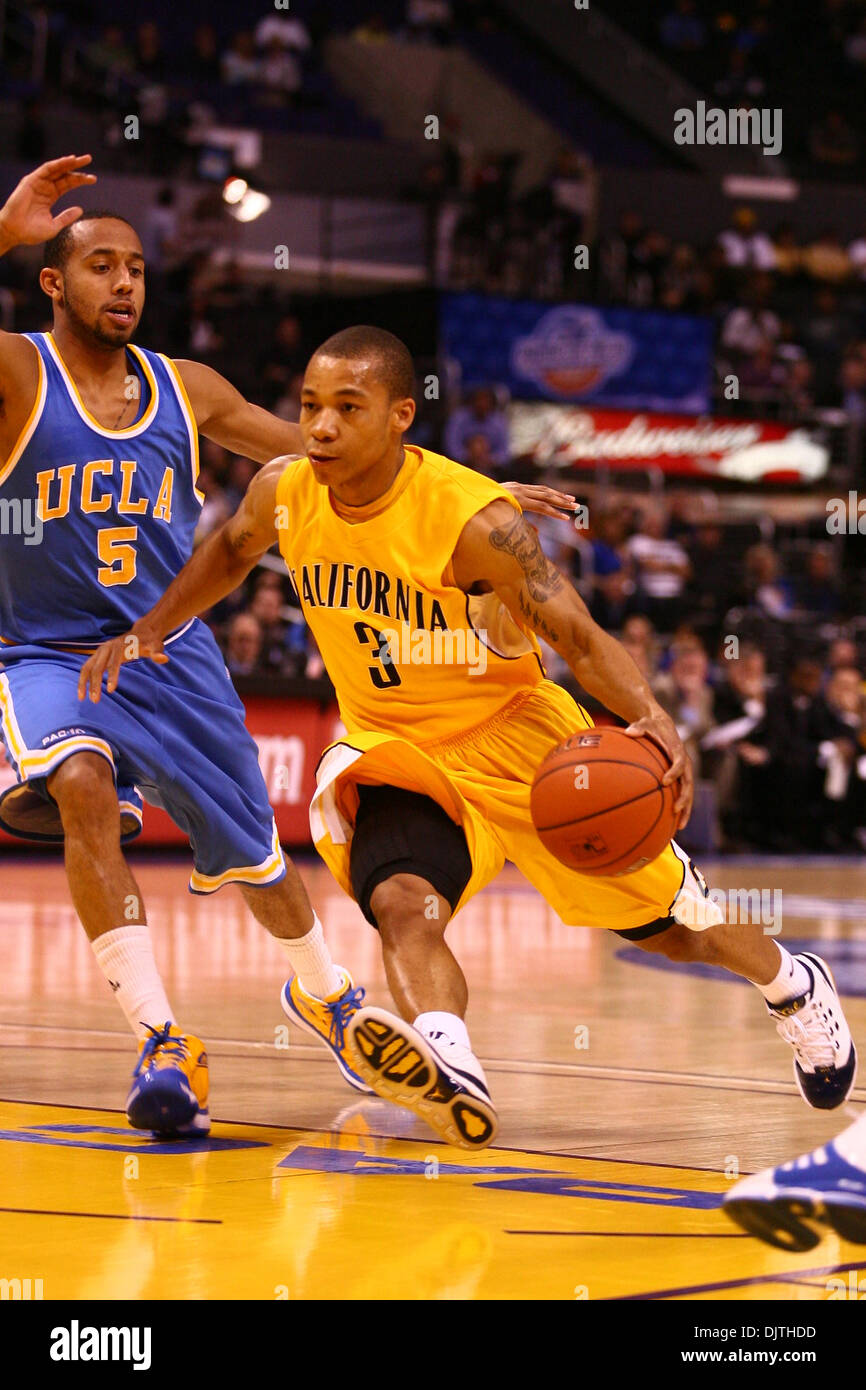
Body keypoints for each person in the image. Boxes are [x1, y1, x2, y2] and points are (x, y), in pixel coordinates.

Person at [81, 326, 857, 1151]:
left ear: (401, 416)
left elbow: (581, 636)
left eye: (349, 408)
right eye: (310, 406)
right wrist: (148, 630)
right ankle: (450, 1064)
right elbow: (232, 552)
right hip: (400, 750)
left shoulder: (474, 521)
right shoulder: (285, 490)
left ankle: (791, 986)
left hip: (522, 743)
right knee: (401, 906)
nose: (321, 427)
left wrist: (653, 718)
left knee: (679, 931)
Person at [0, 157, 372, 1139]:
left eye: (135, 269)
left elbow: (321, 456)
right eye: (98, 265)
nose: (123, 283)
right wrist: (2, 230)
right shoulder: (17, 373)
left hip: (170, 651)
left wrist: (477, 493)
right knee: (78, 781)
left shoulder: (188, 386)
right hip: (48, 651)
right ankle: (162, 1037)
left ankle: (326, 993)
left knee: (259, 862)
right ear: (53, 280)